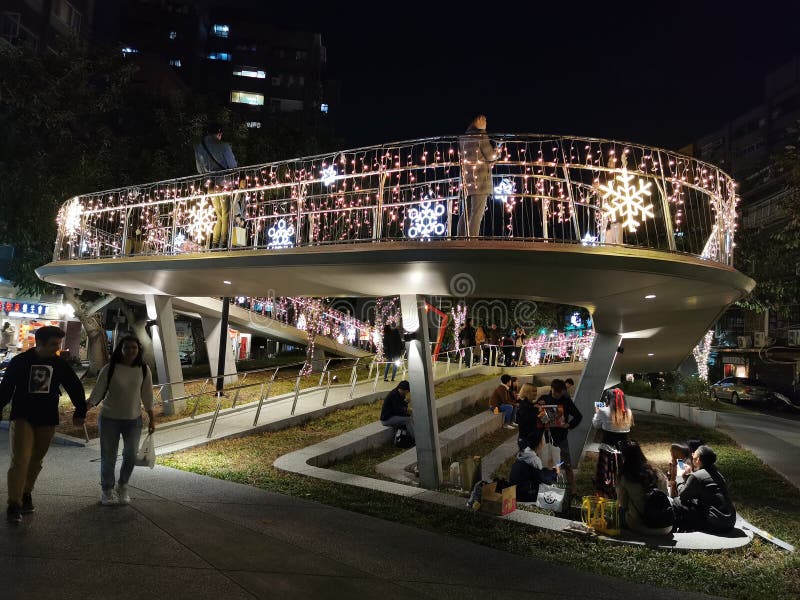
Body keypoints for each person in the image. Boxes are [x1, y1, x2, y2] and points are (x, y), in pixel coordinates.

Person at [0, 326, 86, 524]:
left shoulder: (59, 364)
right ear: (40, 343)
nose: (57, 348)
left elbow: (74, 386)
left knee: (36, 460)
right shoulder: (20, 362)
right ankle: (14, 504)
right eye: (54, 344)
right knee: (20, 459)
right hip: (23, 416)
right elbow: (6, 388)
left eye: (58, 344)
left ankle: (26, 493)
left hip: (47, 417)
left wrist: (80, 410)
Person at [87, 335, 155, 506]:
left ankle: (123, 485)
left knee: (131, 455)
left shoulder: (144, 370)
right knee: (108, 457)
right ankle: (107, 490)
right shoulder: (109, 369)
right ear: (120, 349)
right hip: (109, 419)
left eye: (134, 347)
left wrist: (152, 418)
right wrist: (83, 409)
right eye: (126, 347)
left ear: (139, 349)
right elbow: (97, 393)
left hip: (133, 420)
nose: (130, 350)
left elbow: (147, 395)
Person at [673, 445, 737, 534]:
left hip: (714, 525)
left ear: (698, 460)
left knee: (677, 501)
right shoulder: (718, 474)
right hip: (730, 522)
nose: (692, 454)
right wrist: (690, 477)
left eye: (694, 454)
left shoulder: (697, 476)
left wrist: (679, 477)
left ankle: (682, 530)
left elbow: (682, 495)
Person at [194, 123, 238, 248]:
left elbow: (199, 169)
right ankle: (223, 244)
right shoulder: (224, 146)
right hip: (224, 183)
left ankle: (214, 244)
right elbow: (233, 166)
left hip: (210, 184)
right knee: (226, 214)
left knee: (219, 215)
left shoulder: (199, 147)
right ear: (219, 133)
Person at [616, 440, 673, 536]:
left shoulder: (625, 477)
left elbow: (623, 503)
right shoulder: (657, 472)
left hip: (642, 527)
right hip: (666, 525)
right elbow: (666, 496)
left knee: (619, 509)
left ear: (623, 457)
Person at [535, 379, 582, 495]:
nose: (558, 395)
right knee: (546, 463)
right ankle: (545, 488)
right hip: (546, 437)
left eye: (560, 393)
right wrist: (538, 408)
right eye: (556, 393)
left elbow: (578, 416)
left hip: (561, 438)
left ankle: (573, 490)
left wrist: (568, 425)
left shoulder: (566, 401)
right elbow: (536, 414)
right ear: (552, 389)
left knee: (567, 464)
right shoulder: (544, 399)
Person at [457, 114, 501, 237]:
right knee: (476, 214)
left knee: (466, 213)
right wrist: (497, 153)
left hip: (468, 180)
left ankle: (460, 238)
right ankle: (472, 241)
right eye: (483, 119)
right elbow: (490, 155)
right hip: (481, 180)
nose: (485, 121)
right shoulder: (481, 135)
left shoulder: (463, 138)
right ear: (477, 121)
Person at [592, 388, 634, 498]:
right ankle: (620, 495)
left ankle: (604, 495)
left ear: (609, 399)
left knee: (604, 476)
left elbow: (596, 424)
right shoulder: (628, 412)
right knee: (621, 474)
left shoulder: (604, 410)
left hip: (607, 448)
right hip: (623, 450)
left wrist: (597, 412)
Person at [509, 428, 558, 502]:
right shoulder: (533, 461)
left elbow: (537, 475)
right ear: (540, 444)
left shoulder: (524, 455)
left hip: (514, 493)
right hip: (522, 497)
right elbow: (543, 482)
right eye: (543, 440)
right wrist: (555, 472)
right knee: (552, 490)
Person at [515, 383, 541, 450]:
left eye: (536, 391)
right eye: (533, 391)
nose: (536, 393)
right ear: (526, 392)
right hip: (526, 440)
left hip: (532, 439)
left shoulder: (531, 405)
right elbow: (527, 420)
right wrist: (537, 411)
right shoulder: (523, 406)